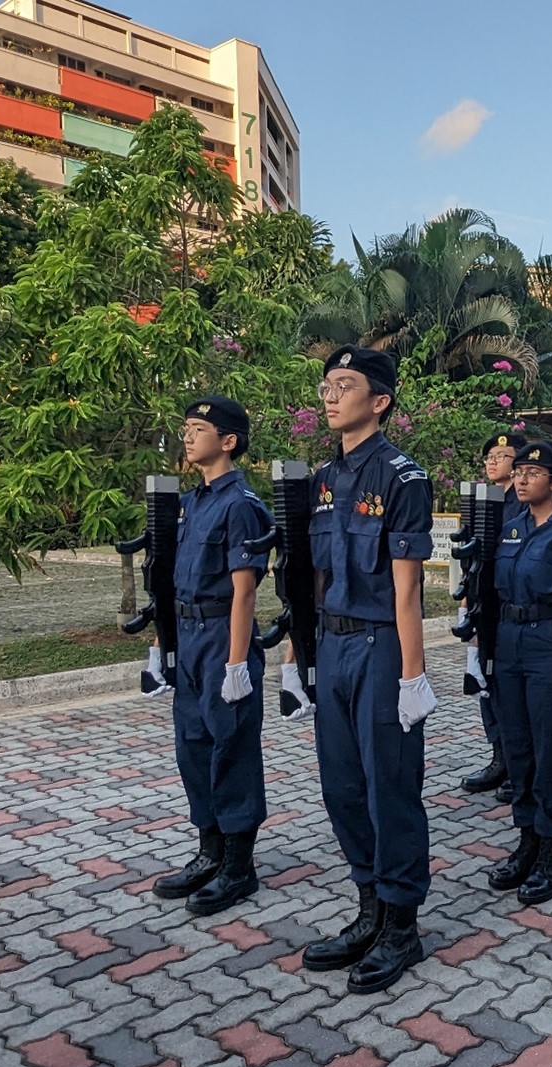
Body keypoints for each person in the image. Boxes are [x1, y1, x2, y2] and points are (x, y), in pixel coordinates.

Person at [300, 345, 438, 993]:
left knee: (390, 786)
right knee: (342, 786)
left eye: (345, 385)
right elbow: (319, 575)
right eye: (327, 385)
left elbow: (408, 591)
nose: (330, 395)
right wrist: (302, 661)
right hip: (334, 647)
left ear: (378, 401)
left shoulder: (404, 478)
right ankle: (369, 909)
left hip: (383, 648)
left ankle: (403, 924)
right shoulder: (323, 479)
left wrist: (413, 674)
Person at [152, 396, 271, 916]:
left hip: (225, 636)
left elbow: (244, 592)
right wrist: (162, 644)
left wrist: (238, 663)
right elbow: (171, 579)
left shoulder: (241, 503)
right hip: (189, 632)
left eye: (197, 428)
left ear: (227, 440)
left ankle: (239, 866)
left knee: (232, 750)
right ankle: (210, 850)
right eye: (186, 427)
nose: (187, 435)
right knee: (193, 747)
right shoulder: (192, 501)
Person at [485, 441, 552, 904]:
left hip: (550, 644)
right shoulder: (511, 529)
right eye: (520, 471)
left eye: (534, 472)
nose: (523, 478)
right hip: (510, 644)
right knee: (519, 748)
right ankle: (526, 840)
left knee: (550, 753)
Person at [460, 431, 528, 802]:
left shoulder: (524, 503)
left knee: (509, 689)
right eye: (490, 454)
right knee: (485, 683)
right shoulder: (481, 500)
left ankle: (519, 763)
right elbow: (470, 561)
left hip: (512, 608)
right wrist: (465, 607)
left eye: (502, 455)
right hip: (482, 607)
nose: (493, 460)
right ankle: (499, 756)